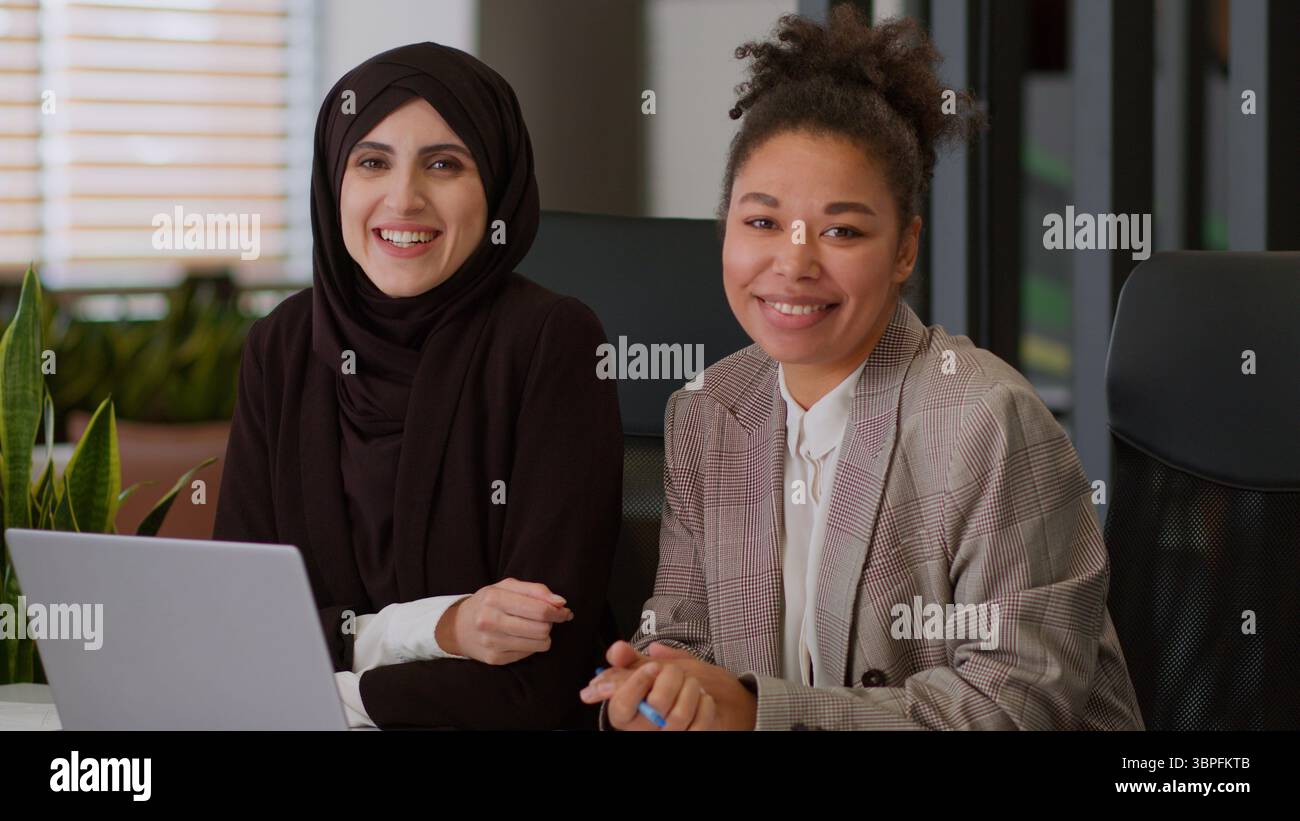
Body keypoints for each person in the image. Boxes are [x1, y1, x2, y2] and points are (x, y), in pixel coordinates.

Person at [581, 9, 1143, 730]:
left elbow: (1018, 707)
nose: (793, 262)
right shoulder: (708, 409)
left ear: (905, 249)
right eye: (760, 221)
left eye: (842, 230)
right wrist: (656, 688)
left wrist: (759, 713)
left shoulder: (984, 420)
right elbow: (685, 640)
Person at [214, 42, 622, 729]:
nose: (403, 198)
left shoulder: (552, 341)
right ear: (332, 181)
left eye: (444, 163)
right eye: (372, 162)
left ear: (495, 183)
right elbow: (238, 630)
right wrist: (441, 629)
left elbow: (541, 679)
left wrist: (322, 694)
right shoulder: (281, 346)